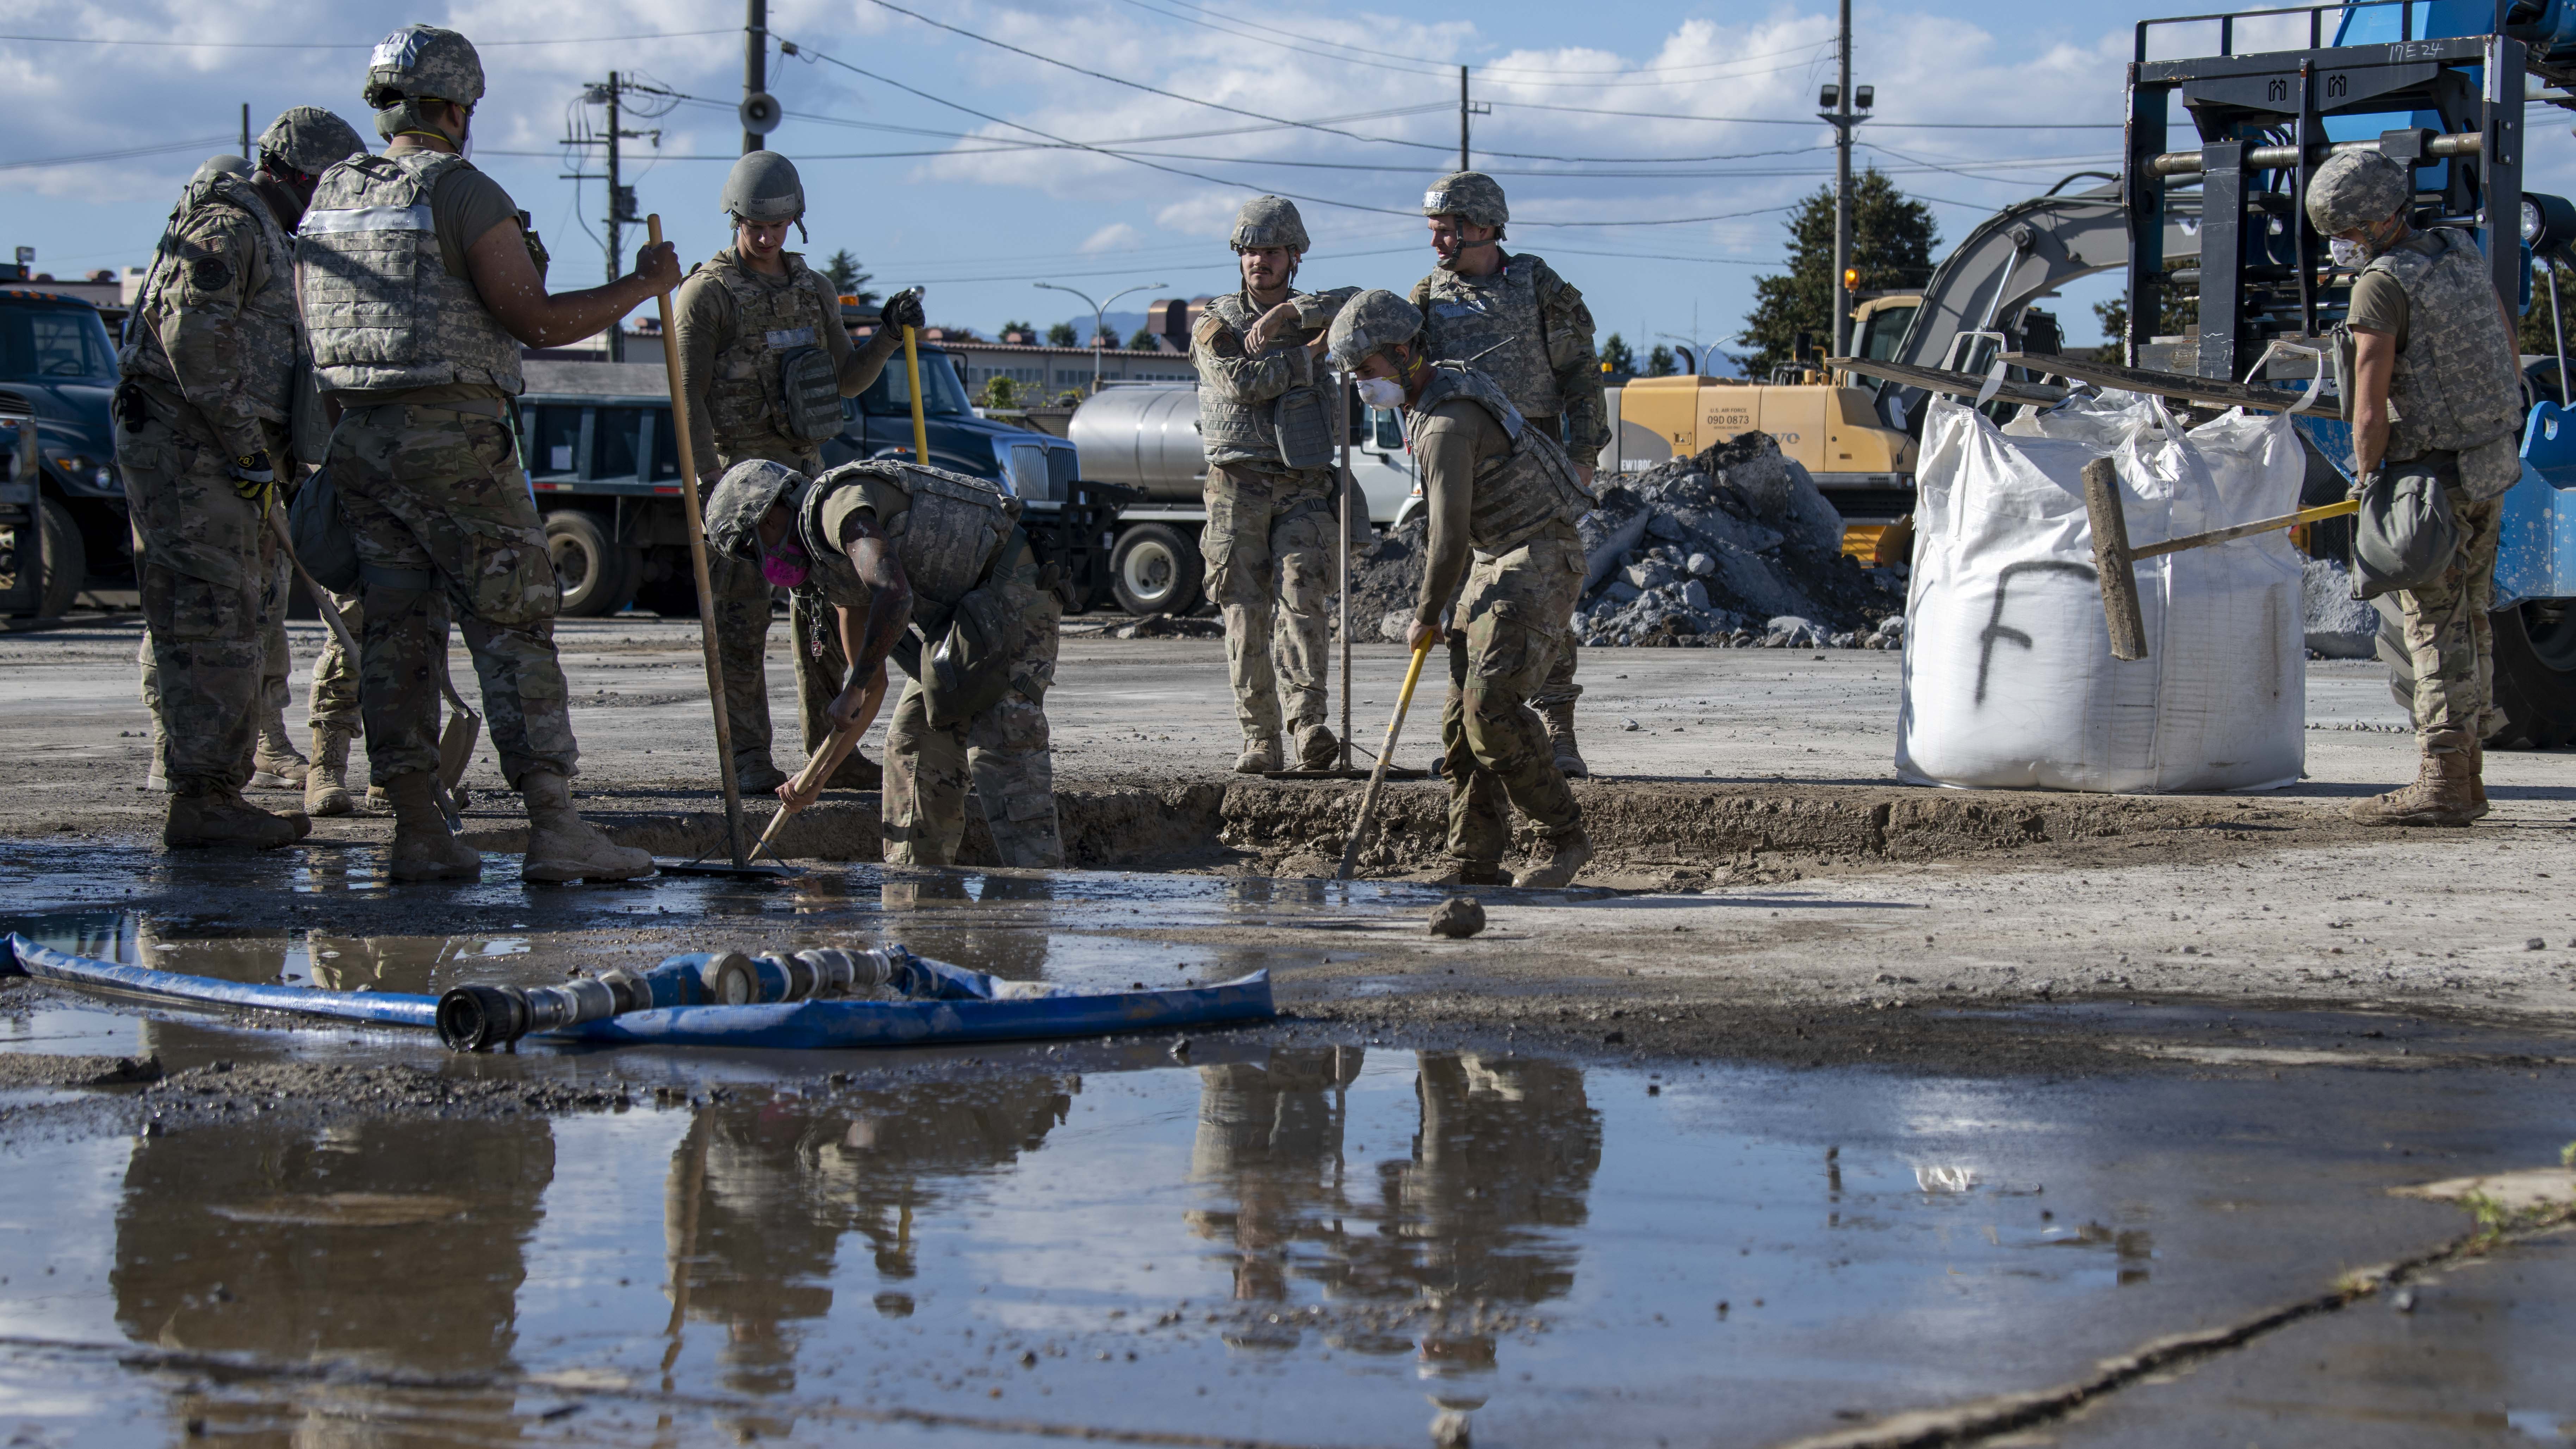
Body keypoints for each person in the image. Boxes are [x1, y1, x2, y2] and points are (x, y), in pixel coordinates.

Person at [298, 24, 678, 882]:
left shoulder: (331, 196)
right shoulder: (462, 192)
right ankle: (554, 825)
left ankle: (418, 831)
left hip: (360, 440)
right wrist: (645, 284)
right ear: (456, 106)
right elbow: (536, 319)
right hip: (455, 441)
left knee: (396, 632)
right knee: (511, 621)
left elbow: (313, 332)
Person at [114, 111, 366, 849]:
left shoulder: (268, 234)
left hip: (221, 456)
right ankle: (203, 799)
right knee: (213, 618)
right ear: (303, 178)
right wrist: (244, 445)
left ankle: (210, 787)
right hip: (194, 453)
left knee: (241, 612)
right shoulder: (229, 226)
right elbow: (192, 338)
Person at [673, 151, 921, 794]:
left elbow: (844, 378)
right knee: (737, 627)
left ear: (797, 222)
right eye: (756, 224)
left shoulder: (811, 291)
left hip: (806, 484)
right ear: (735, 217)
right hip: (739, 491)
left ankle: (830, 751)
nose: (766, 236)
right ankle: (749, 758)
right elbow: (687, 397)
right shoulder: (707, 295)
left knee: (825, 622)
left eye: (779, 225)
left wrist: (888, 335)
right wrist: (706, 485)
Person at [1327, 290, 1595, 887]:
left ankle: (1564, 839)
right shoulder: (1429, 395)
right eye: (1354, 375)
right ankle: (1473, 861)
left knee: (1489, 711)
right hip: (1495, 557)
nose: (1362, 386)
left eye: (1367, 372)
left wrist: (1425, 613)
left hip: (1536, 557)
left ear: (1403, 354)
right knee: (1460, 722)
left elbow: (1446, 537)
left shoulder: (1445, 422)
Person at [2309, 149, 2526, 827]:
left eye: (2343, 231)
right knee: (2470, 618)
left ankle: (2440, 779)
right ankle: (2470, 779)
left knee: (2430, 625)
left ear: (2374, 222)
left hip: (2425, 484)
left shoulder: (2378, 286)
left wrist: (2366, 475)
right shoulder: (2459, 254)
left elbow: (2368, 404)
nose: (2340, 243)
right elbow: (2506, 349)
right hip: (2486, 464)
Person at [704, 457, 1063, 867]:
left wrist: (852, 687)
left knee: (1001, 732)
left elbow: (893, 595)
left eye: (753, 546)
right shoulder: (830, 566)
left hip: (1013, 592)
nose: (762, 558)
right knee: (913, 742)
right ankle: (918, 898)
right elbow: (870, 687)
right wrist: (815, 780)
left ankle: (1035, 892)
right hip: (958, 621)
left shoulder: (839, 507)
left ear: (770, 515)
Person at [1411, 170, 1606, 780]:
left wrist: (1583, 452)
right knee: (1466, 606)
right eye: (1434, 232)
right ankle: (1468, 726)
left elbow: (1580, 372)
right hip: (1464, 467)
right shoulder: (1426, 298)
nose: (1440, 243)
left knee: (1541, 598)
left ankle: (1556, 730)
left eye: (1451, 232)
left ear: (1488, 227)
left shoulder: (1537, 285)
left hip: (1536, 461)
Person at [1189, 195, 1360, 773]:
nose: (1258, 261)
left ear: (1293, 256)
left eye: (1271, 251)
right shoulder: (1214, 322)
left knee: (1304, 600)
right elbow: (1241, 383)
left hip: (1304, 485)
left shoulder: (1318, 312)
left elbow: (1364, 307)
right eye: (1250, 251)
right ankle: (1261, 738)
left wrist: (1291, 319)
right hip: (1237, 488)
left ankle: (1308, 724)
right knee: (1244, 613)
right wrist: (1311, 357)